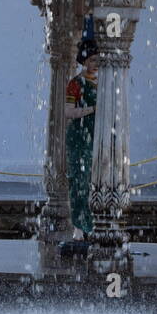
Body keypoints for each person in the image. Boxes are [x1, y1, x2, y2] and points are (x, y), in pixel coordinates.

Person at [63, 17, 98, 248]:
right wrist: (92, 109)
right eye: (92, 60)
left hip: (99, 137)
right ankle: (79, 226)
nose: (95, 64)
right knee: (80, 182)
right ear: (84, 61)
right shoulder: (75, 84)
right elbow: (68, 112)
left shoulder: (105, 81)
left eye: (97, 60)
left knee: (98, 182)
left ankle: (97, 226)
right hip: (79, 139)